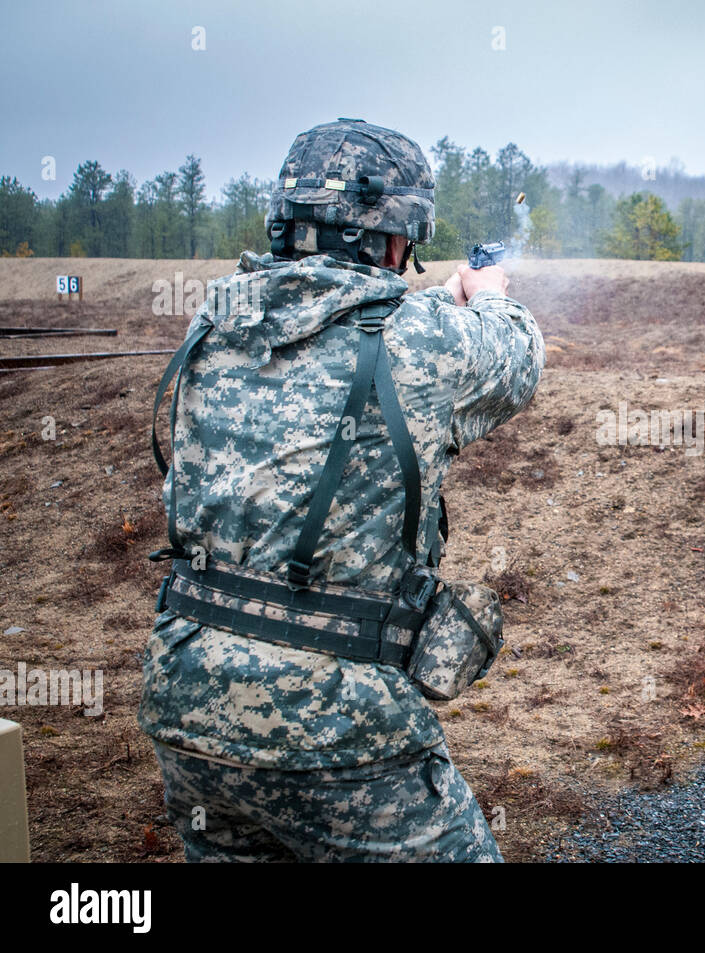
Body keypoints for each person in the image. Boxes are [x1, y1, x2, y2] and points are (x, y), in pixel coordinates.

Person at [137, 118, 543, 862]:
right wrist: (484, 295)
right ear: (393, 239)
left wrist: (425, 309)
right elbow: (518, 355)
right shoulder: (420, 335)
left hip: (185, 699)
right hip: (334, 726)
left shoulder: (216, 315)